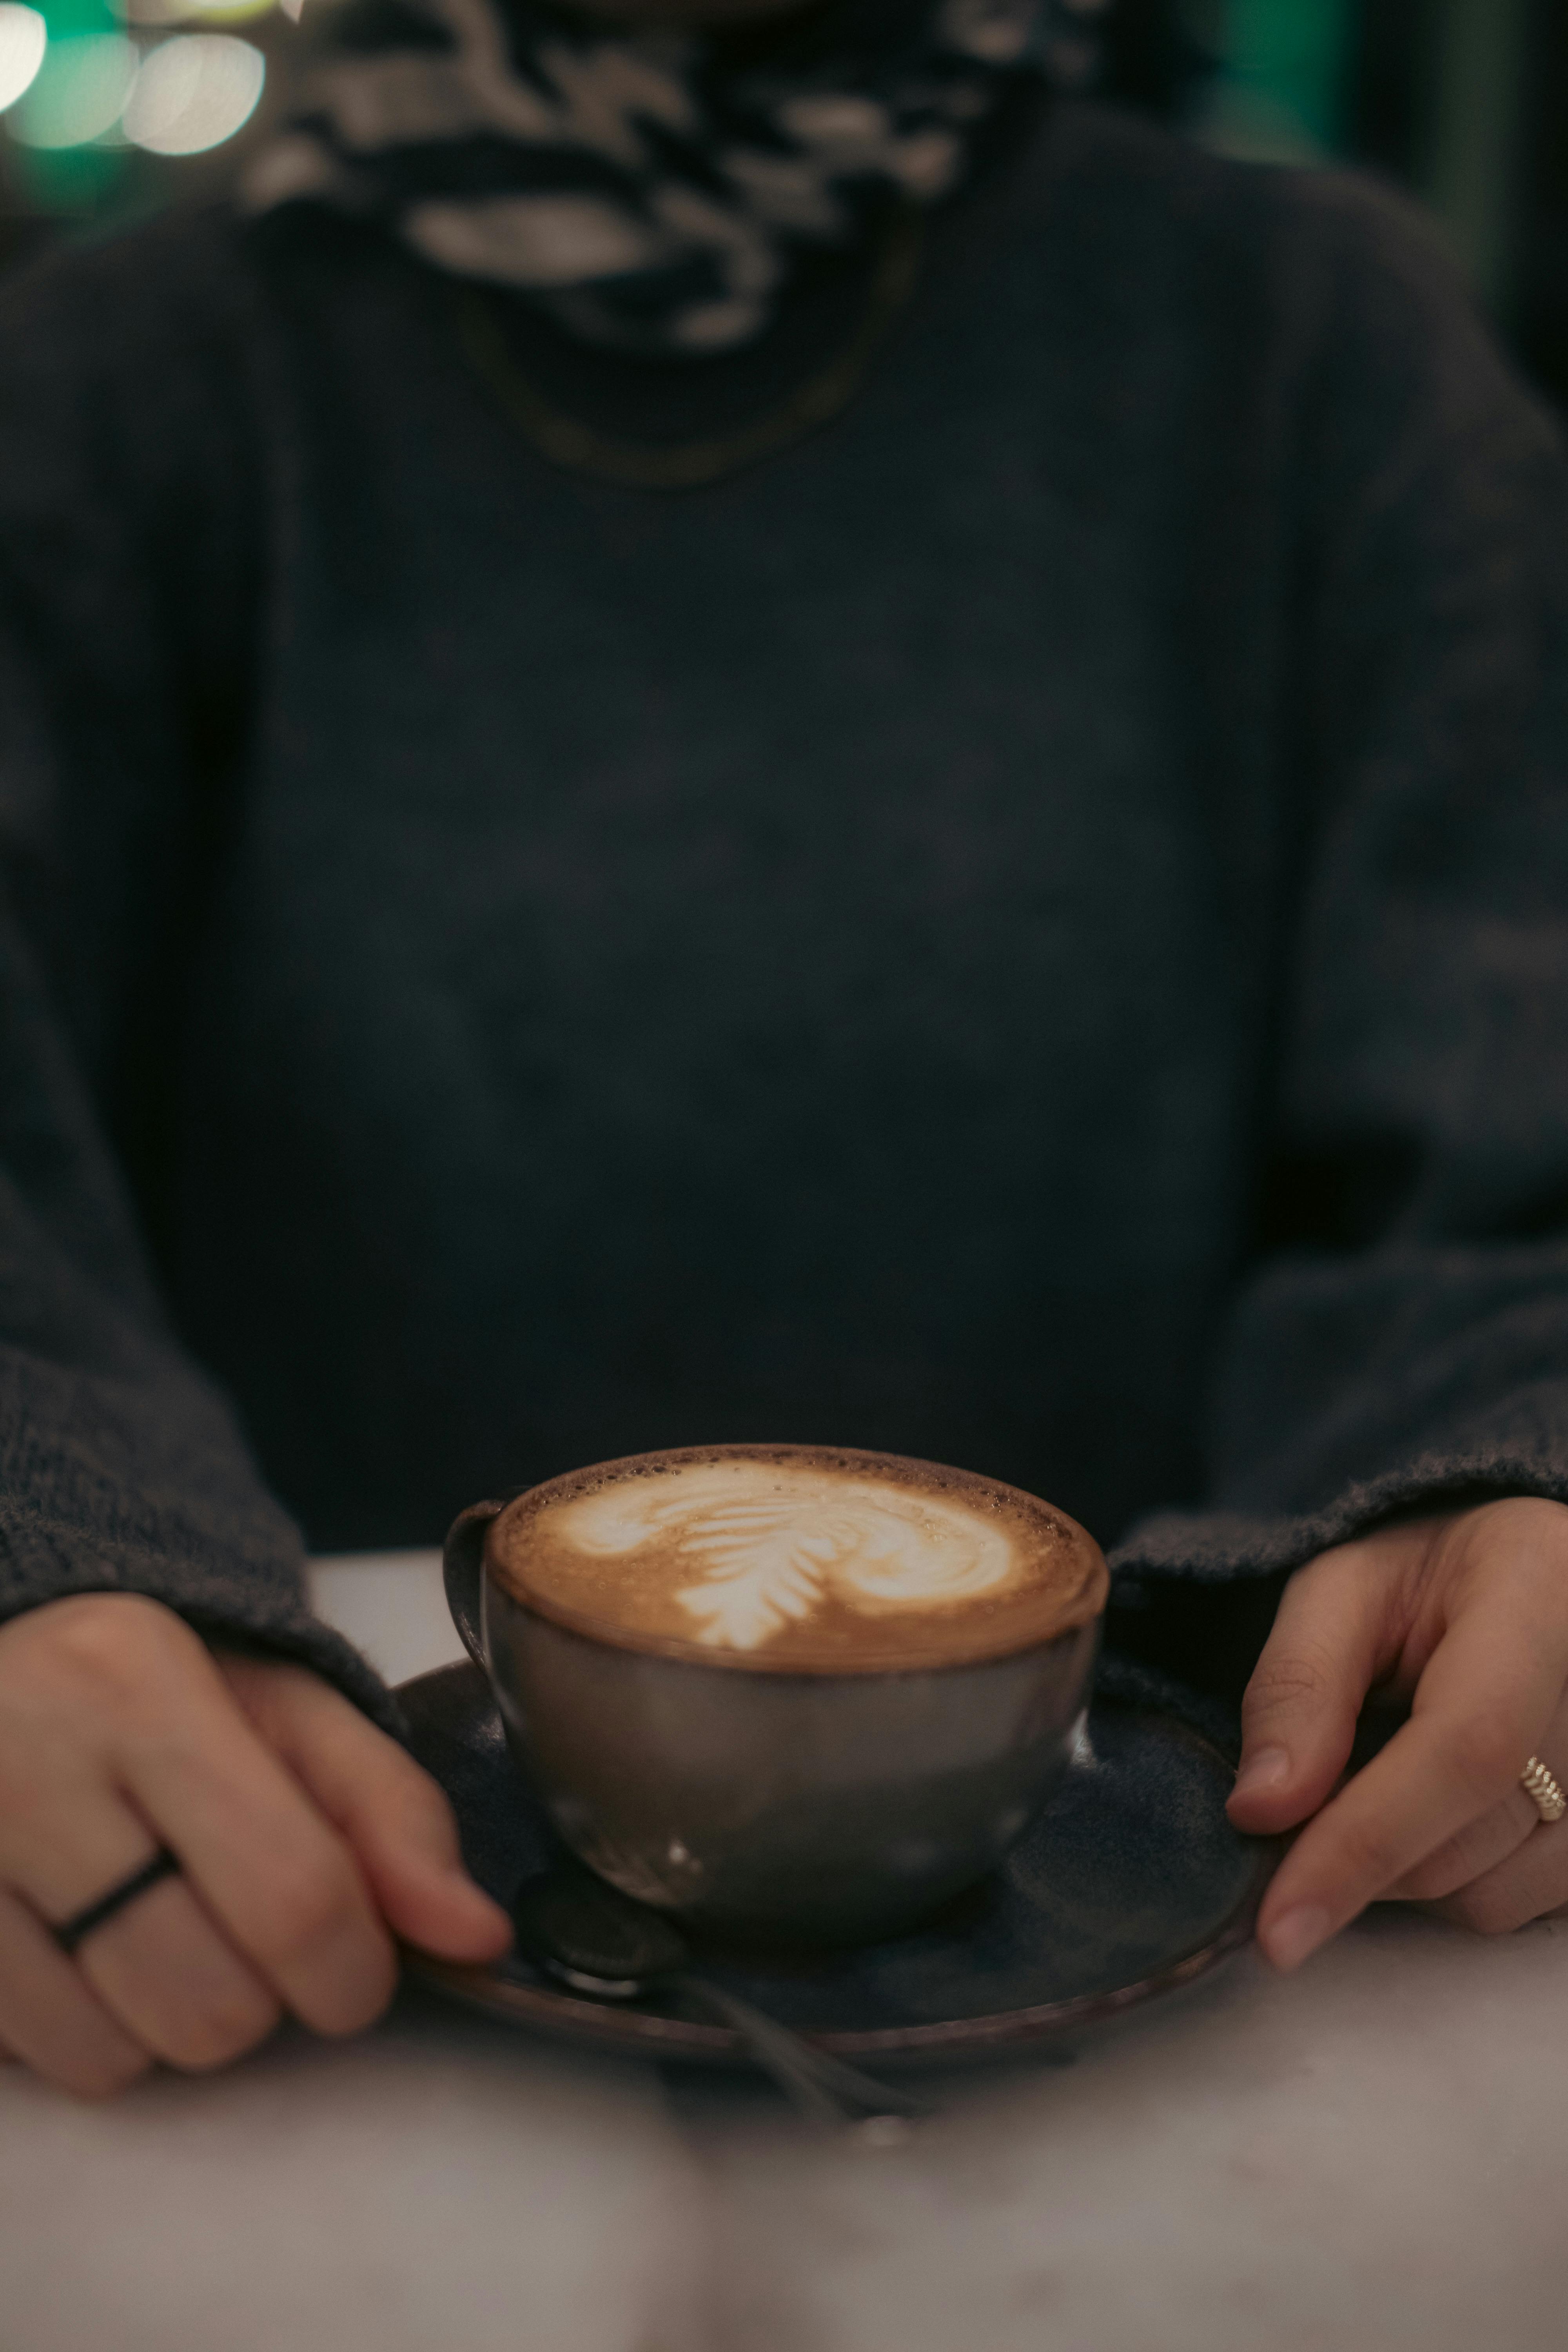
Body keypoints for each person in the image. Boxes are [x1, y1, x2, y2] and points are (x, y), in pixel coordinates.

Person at [2, 0, 1567, 2102]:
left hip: (1210, 1992)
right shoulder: (119, 386)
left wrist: (1524, 1459)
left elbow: (1503, 1153)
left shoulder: (1317, 353)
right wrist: (44, 1542)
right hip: (304, 1969)